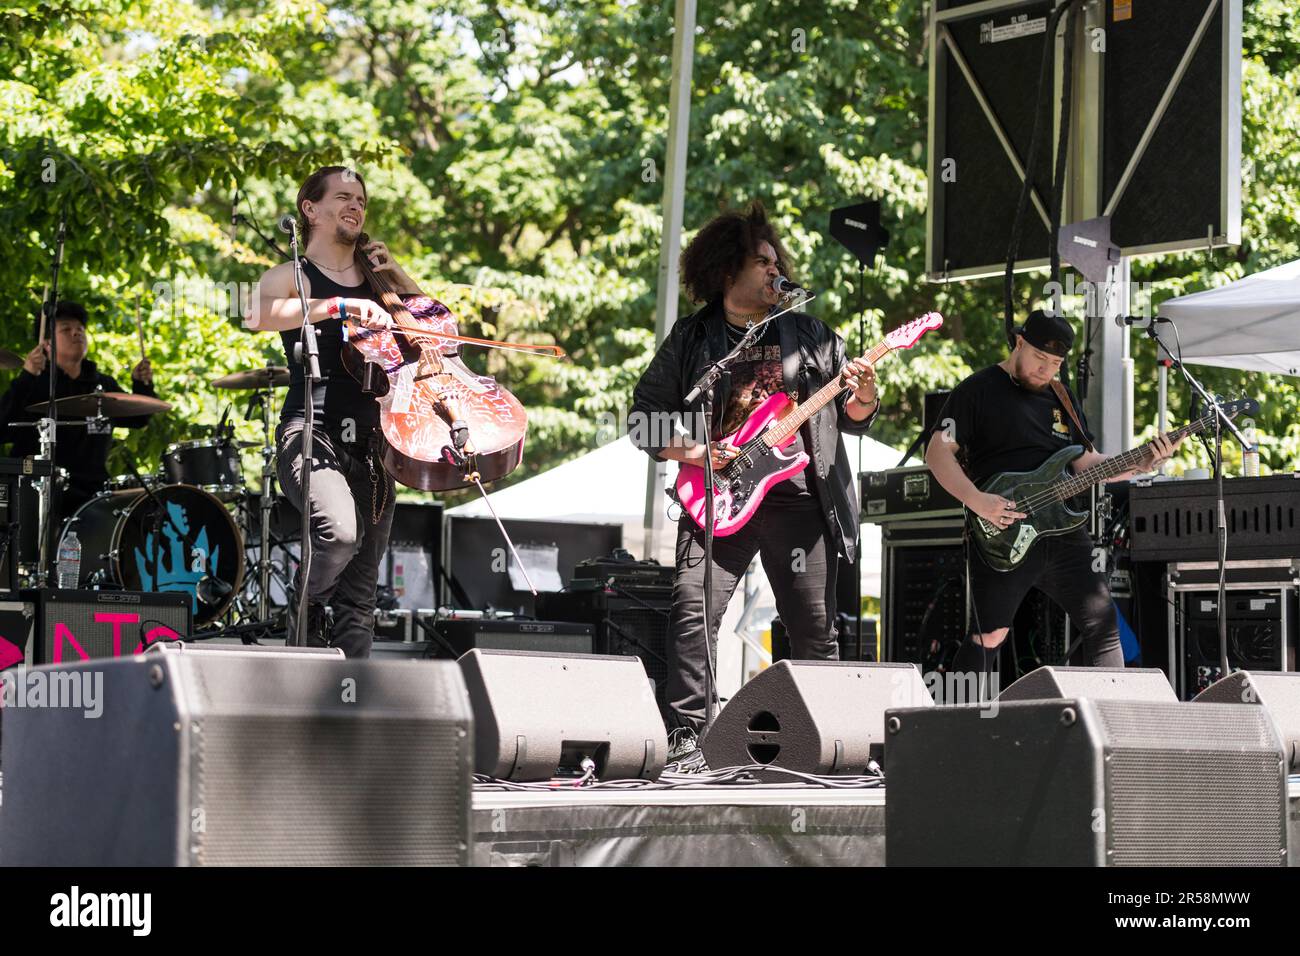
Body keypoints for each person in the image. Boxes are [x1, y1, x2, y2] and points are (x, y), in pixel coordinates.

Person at [631, 201, 881, 770]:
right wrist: (699, 453)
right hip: (718, 497)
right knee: (692, 615)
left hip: (800, 502)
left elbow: (856, 415)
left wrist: (864, 391)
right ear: (726, 272)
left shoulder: (812, 335)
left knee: (814, 627)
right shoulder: (693, 338)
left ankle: (827, 741)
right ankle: (690, 739)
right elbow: (641, 420)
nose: (775, 270)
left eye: (776, 262)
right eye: (761, 262)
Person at [925, 309, 1182, 695]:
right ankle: (952, 726)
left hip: (1063, 531)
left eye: (1056, 363)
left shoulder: (1061, 396)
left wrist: (1139, 462)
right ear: (1019, 343)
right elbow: (937, 454)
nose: (1046, 370)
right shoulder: (976, 390)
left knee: (1103, 624)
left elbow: (1085, 462)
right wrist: (977, 501)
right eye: (1040, 359)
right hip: (1003, 529)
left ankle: (1113, 726)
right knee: (989, 635)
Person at [247, 165, 422, 657]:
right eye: (343, 196)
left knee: (362, 596)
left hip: (375, 445)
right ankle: (306, 607)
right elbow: (254, 313)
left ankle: (350, 707)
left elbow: (432, 332)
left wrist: (396, 274)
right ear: (311, 209)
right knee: (341, 534)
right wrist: (334, 308)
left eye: (361, 200)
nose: (356, 206)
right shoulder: (296, 276)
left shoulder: (378, 278)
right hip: (311, 433)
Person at [0, 301, 157, 515]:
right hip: (39, 495)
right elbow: (3, 428)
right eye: (66, 329)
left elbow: (138, 419)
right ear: (46, 343)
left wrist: (142, 385)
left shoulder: (103, 385)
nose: (76, 334)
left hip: (93, 496)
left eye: (80, 329)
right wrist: (27, 377)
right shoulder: (33, 384)